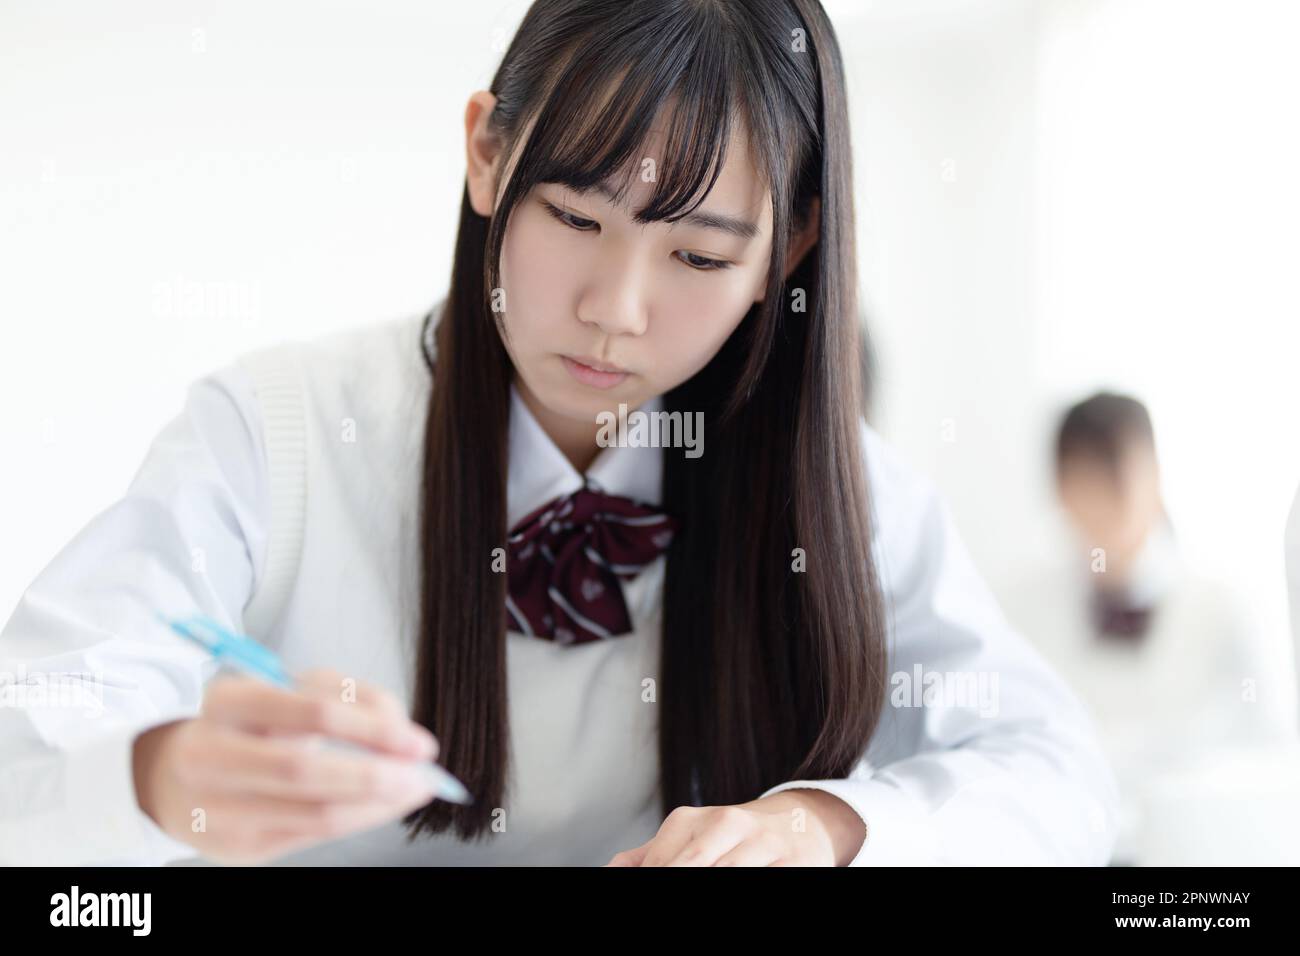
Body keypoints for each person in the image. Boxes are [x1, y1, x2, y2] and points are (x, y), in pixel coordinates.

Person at [0, 0, 1117, 866]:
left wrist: (827, 823)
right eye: (577, 217)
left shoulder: (837, 494)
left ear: (790, 248)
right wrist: (154, 773)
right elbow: (29, 739)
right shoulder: (273, 431)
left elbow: (1064, 777)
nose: (614, 310)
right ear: (488, 153)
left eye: (698, 255)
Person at [1000, 391, 1287, 864]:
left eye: (1115, 480)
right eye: (1082, 482)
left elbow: (1270, 759)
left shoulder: (1224, 611)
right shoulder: (1020, 608)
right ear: (1059, 491)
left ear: (1154, 478)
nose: (1100, 505)